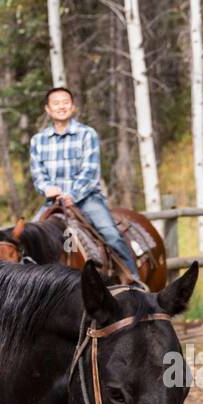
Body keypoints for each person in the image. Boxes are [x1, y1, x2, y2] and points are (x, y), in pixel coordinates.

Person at [29, 86, 143, 283]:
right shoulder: (38, 140)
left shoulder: (86, 134)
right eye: (56, 103)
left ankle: (134, 279)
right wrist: (46, 188)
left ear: (73, 107)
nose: (61, 107)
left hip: (86, 199)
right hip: (53, 202)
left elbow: (90, 172)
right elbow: (38, 173)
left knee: (111, 234)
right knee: (29, 236)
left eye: (66, 103)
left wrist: (72, 194)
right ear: (48, 109)